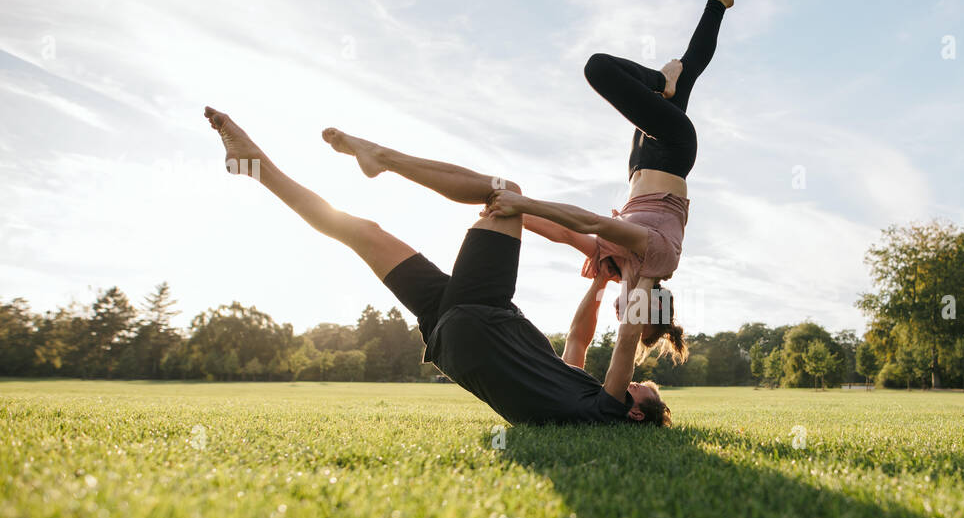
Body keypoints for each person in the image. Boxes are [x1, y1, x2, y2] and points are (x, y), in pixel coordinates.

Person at [202, 106, 671, 426]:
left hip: (485, 316)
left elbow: (627, 339)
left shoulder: (606, 412)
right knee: (361, 232)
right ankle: (255, 166)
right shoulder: (579, 398)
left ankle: (382, 157)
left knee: (504, 191)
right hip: (451, 341)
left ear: (634, 413)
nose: (632, 382)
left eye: (639, 390)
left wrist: (643, 277)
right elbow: (577, 340)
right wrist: (599, 288)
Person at [502, 0, 735, 369]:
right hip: (673, 152)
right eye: (636, 316)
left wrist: (503, 213)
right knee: (599, 69)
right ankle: (662, 80)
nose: (624, 316)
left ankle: (717, 2)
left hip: (642, 161)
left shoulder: (615, 262)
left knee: (689, 68)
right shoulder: (659, 261)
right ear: (649, 304)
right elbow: (585, 223)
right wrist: (522, 206)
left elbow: (563, 234)